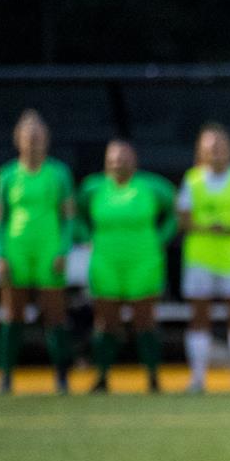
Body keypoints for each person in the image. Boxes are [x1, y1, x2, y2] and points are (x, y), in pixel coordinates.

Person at [77, 139, 174, 393]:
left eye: (124, 158)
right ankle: (102, 377)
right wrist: (86, 238)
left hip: (143, 261)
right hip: (106, 261)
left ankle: (152, 377)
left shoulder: (153, 186)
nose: (118, 163)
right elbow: (74, 216)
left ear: (135, 160)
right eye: (113, 159)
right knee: (106, 321)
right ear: (106, 162)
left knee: (145, 320)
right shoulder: (93, 188)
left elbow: (177, 213)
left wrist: (160, 239)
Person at [0, 111, 76, 394]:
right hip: (16, 250)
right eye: (28, 137)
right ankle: (6, 378)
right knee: (12, 316)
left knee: (54, 316)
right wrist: (0, 253)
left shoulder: (59, 173)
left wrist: (63, 249)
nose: (33, 142)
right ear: (18, 140)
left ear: (46, 140)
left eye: (38, 137)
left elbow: (68, 217)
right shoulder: (6, 175)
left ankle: (61, 378)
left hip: (49, 249)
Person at [177, 122, 230, 394]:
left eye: (220, 146)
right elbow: (184, 220)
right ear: (201, 150)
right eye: (210, 146)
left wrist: (229, 228)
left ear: (229, 149)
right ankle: (198, 379)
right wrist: (207, 228)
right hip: (201, 259)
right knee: (199, 316)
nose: (215, 151)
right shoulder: (192, 180)